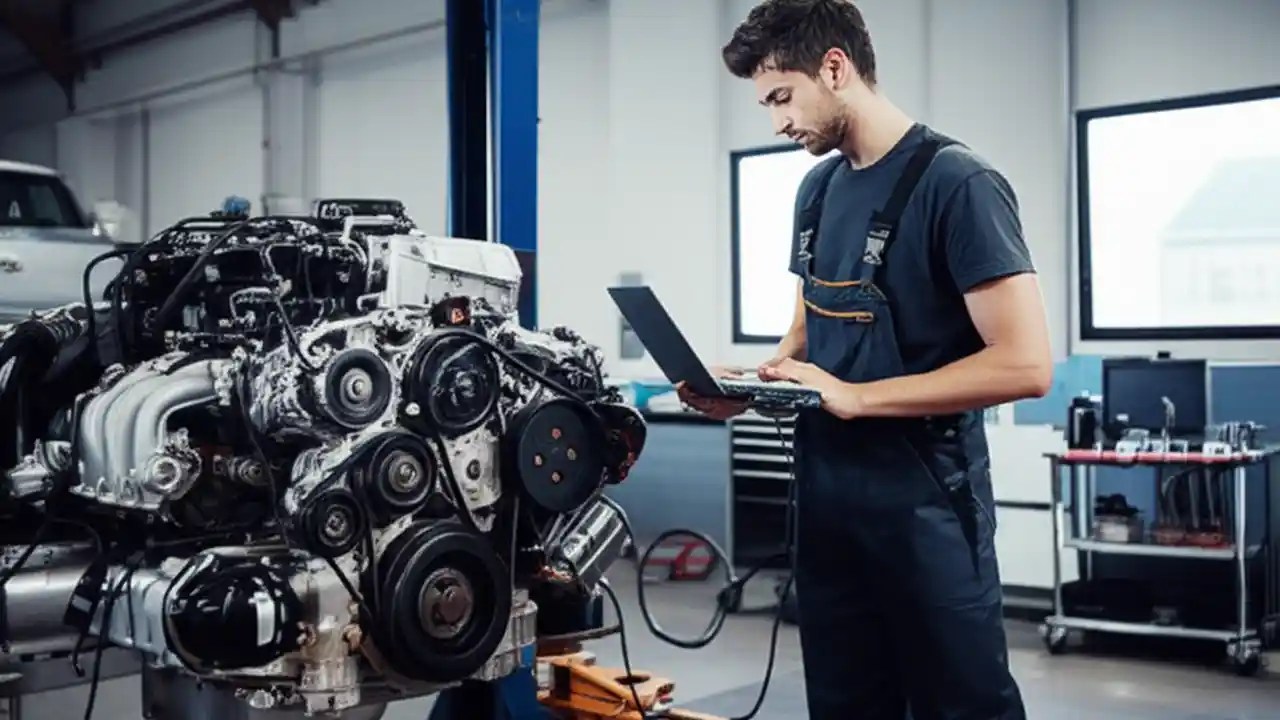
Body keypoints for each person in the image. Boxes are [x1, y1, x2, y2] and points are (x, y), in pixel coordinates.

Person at [683, 1, 1054, 718]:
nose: (776, 122)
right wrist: (754, 385)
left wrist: (856, 397)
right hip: (827, 505)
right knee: (847, 703)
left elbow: (1025, 365)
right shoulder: (817, 191)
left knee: (962, 704)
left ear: (834, 67)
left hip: (926, 509)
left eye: (781, 98)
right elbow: (806, 335)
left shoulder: (959, 184)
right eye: (764, 105)